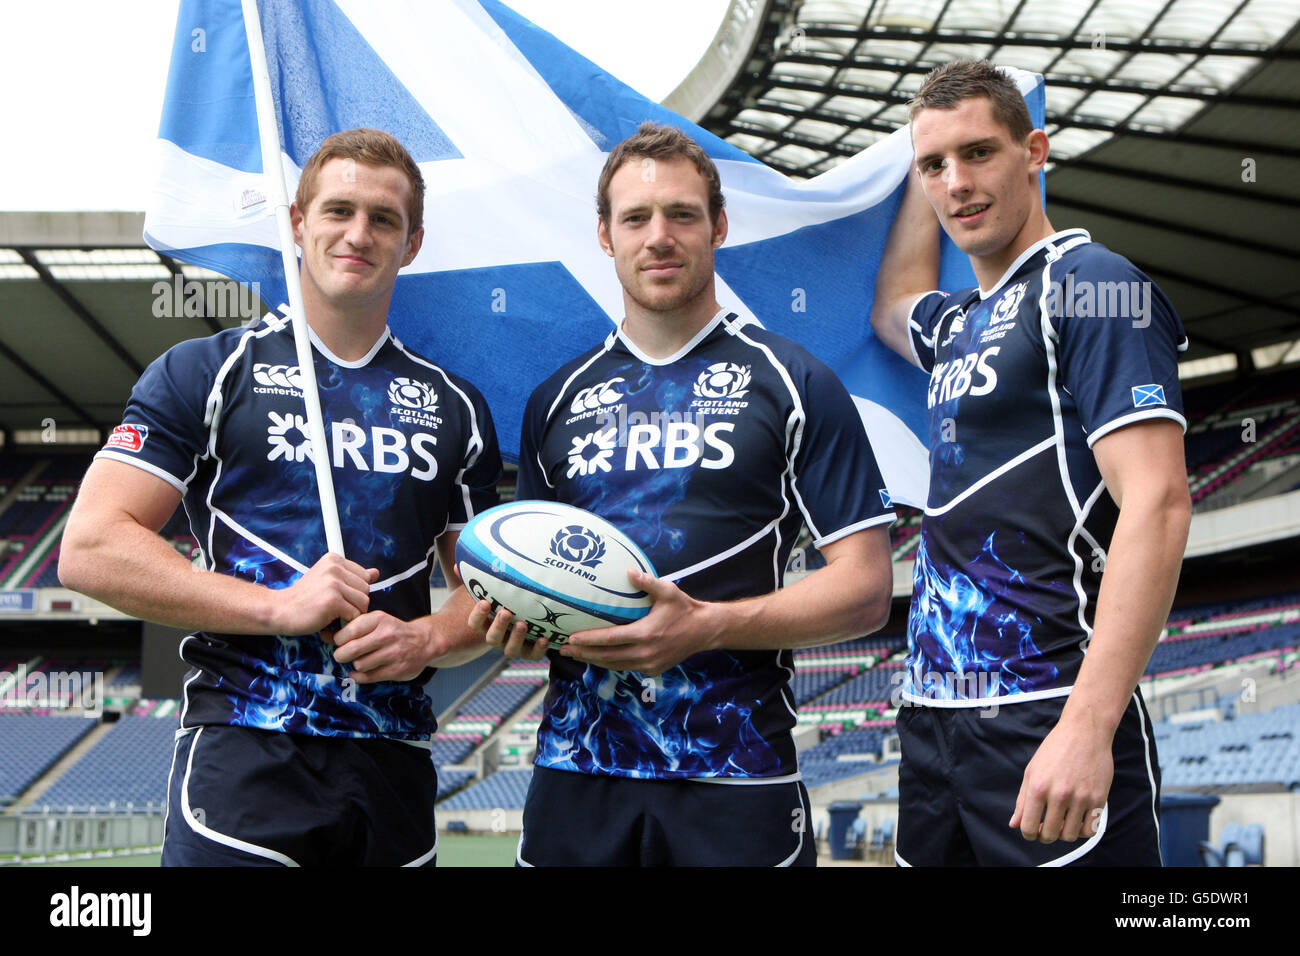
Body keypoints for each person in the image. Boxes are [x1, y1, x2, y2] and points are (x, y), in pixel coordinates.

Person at [59, 128, 502, 866]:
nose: (358, 233)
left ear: (413, 242)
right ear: (298, 223)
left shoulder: (455, 405)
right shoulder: (206, 370)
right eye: (337, 210)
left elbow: (488, 590)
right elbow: (92, 546)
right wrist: (276, 606)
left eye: (383, 219)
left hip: (394, 763)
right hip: (246, 753)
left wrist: (427, 639)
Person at [473, 122, 896, 866]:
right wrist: (517, 623)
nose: (658, 236)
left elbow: (865, 590)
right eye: (635, 218)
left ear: (719, 227)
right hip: (578, 775)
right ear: (605, 235)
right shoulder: (555, 400)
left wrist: (707, 626)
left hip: (737, 772)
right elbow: (535, 577)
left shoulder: (794, 383)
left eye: (682, 214)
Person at [869, 59, 1191, 865]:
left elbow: (1157, 503)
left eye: (979, 154)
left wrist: (1088, 725)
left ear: (1035, 150)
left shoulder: (1093, 285)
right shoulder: (962, 321)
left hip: (1046, 708)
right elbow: (892, 302)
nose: (957, 184)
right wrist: (920, 166)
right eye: (936, 166)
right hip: (932, 720)